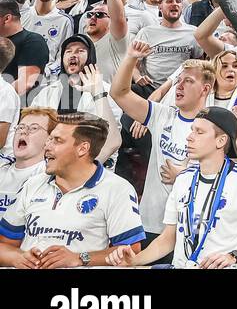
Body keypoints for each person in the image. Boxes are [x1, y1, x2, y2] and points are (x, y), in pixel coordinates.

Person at [108, 107, 237, 269]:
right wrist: (135, 261)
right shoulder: (184, 178)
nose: (189, 137)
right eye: (192, 130)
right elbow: (168, 237)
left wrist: (233, 256)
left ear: (221, 140)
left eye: (199, 132)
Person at [0, 114, 144, 268]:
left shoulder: (117, 189)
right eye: (49, 139)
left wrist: (80, 258)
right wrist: (19, 258)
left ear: (83, 148)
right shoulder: (32, 184)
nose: (47, 146)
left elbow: (130, 253)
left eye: (57, 140)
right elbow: (4, 245)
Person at [110, 39, 212, 239]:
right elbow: (118, 93)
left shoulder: (215, 125)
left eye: (188, 81)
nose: (179, 86)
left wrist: (185, 176)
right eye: (178, 81)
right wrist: (131, 58)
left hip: (192, 227)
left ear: (206, 89)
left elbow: (226, 170)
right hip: (151, 221)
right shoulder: (162, 115)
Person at [0, 108, 54, 217]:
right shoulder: (2, 166)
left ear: (50, 139)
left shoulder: (50, 177)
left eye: (34, 128)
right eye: (20, 127)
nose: (23, 131)